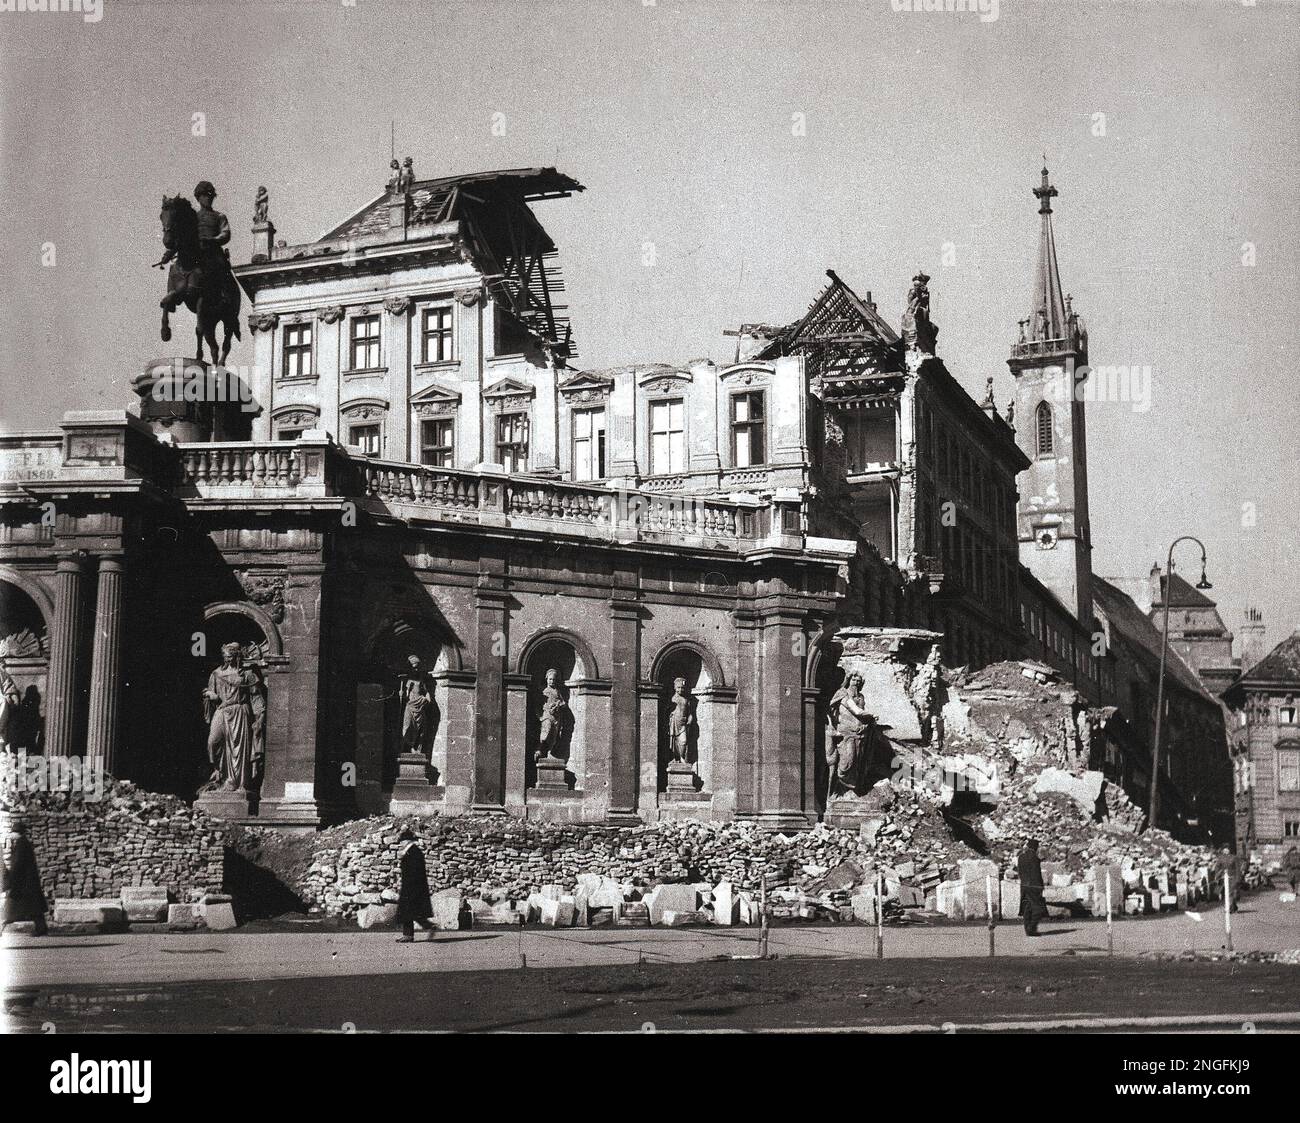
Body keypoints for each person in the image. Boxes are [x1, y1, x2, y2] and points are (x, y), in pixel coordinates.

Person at [1, 822, 49, 936]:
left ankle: (1, 928)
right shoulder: (23, 842)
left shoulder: (21, 844)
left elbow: (18, 865)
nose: (11, 835)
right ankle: (41, 928)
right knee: (34, 908)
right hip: (28, 882)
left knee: (10, 908)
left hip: (23, 883)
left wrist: (10, 880)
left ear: (17, 833)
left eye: (13, 832)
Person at [395, 828, 434, 943]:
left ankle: (410, 934)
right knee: (410, 911)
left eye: (402, 841)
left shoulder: (413, 851)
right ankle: (416, 931)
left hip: (413, 886)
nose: (401, 843)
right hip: (410, 885)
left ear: (407, 841)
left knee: (409, 910)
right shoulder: (410, 851)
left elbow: (415, 871)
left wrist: (410, 885)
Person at [1017, 838, 1047, 936]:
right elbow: (1037, 874)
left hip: (1024, 886)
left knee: (1027, 908)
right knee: (1038, 908)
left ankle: (1027, 929)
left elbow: (1020, 872)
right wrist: (1041, 887)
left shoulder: (1020, 857)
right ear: (1036, 847)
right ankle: (1031, 928)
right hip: (1034, 887)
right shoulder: (1035, 858)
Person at [1216, 846, 1241, 913]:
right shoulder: (1220, 858)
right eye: (1224, 849)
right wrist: (1217, 876)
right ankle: (1231, 907)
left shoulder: (1234, 858)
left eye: (1227, 849)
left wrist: (1238, 879)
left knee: (1231, 893)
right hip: (1223, 878)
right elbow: (1217, 867)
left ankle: (1230, 907)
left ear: (1230, 850)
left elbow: (1238, 869)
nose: (1226, 851)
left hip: (1233, 877)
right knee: (1225, 893)